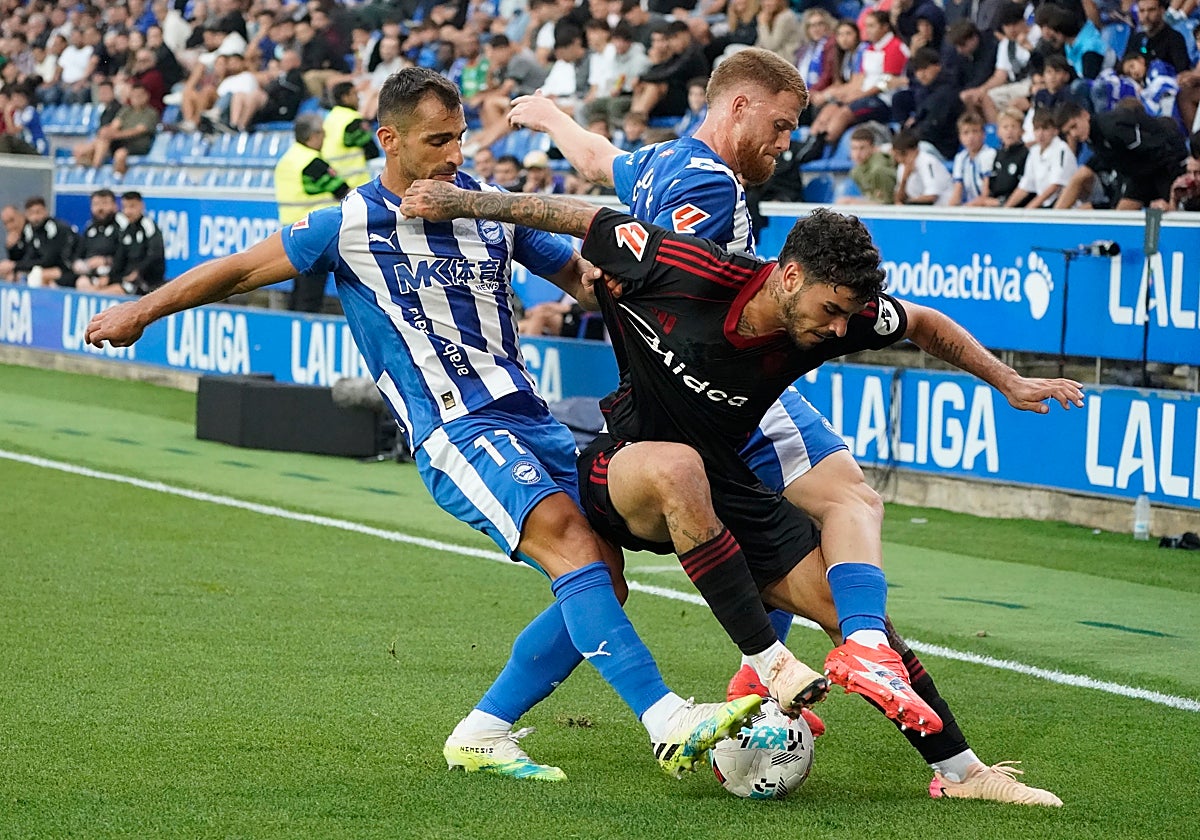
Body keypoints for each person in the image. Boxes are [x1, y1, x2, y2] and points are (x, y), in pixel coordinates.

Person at [84, 66, 758, 785]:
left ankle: (482, 731)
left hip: (534, 420)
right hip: (458, 431)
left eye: (460, 138)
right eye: (437, 141)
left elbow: (580, 276)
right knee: (573, 549)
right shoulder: (346, 224)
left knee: (606, 577)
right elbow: (239, 270)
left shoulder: (483, 212)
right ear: (390, 141)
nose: (452, 155)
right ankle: (667, 720)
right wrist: (140, 310)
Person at [506, 47, 1072, 804]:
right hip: (724, 391)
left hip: (722, 398)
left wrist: (547, 118)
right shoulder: (711, 192)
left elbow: (599, 165)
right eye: (779, 124)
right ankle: (824, 654)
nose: (787, 141)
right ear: (738, 106)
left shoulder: (655, 162)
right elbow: (670, 269)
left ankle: (948, 761)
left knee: (787, 540)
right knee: (850, 501)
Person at [273, 113, 350, 313]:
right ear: (313, 135)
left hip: (291, 233)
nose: (325, 138)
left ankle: (292, 332)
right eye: (323, 133)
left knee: (298, 291)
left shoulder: (288, 158)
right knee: (311, 295)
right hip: (314, 233)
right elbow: (341, 190)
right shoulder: (313, 162)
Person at [1053, 99, 1189, 209]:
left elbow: (1156, 147)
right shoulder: (1092, 138)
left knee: (1170, 211)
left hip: (1164, 165)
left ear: (1085, 115)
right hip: (1140, 172)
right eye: (1068, 132)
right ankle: (1054, 221)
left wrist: (1170, 183)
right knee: (1122, 214)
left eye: (1074, 126)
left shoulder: (1112, 126)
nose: (1073, 134)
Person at [1006, 107, 1077, 208]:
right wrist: (1006, 208)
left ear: (1055, 131)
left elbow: (1055, 186)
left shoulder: (1062, 149)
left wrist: (1031, 208)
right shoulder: (1034, 151)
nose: (1040, 134)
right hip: (1044, 206)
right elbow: (1025, 186)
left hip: (1065, 207)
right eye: (1037, 129)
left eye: (1045, 129)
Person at [70, 189, 128, 295]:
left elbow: (129, 256)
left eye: (105, 203)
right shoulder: (90, 228)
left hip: (116, 277)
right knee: (81, 282)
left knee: (114, 290)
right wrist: (81, 265)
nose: (100, 208)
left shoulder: (123, 228)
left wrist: (106, 261)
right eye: (96, 204)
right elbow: (78, 254)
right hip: (93, 276)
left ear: (115, 206)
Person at [321, 81, 375, 188]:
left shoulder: (329, 117)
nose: (358, 98)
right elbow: (371, 148)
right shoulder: (352, 120)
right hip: (355, 181)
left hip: (337, 179)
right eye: (354, 94)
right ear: (345, 97)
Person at [13, 196, 75, 288]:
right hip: (41, 267)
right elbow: (27, 256)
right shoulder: (28, 229)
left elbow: (49, 260)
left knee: (36, 275)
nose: (35, 217)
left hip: (63, 269)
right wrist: (11, 248)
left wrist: (16, 265)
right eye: (31, 213)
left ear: (45, 212)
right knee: (14, 274)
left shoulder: (55, 228)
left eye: (38, 212)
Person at [972, 106, 1029, 206]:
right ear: (998, 132)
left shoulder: (1026, 155)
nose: (1009, 131)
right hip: (994, 205)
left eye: (1014, 126)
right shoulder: (996, 155)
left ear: (1022, 131)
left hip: (1016, 207)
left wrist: (1000, 203)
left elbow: (1026, 188)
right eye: (1005, 127)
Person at [117, 191, 166, 295]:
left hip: (148, 282)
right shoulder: (126, 229)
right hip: (128, 279)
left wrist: (138, 272)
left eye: (132, 206)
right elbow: (120, 257)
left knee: (115, 291)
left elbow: (155, 254)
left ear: (141, 206)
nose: (128, 211)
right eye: (125, 207)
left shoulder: (148, 226)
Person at [892, 128, 954, 205]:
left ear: (915, 150)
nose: (900, 159)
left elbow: (931, 197)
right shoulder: (902, 167)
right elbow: (898, 199)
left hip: (942, 209)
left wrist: (907, 205)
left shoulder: (928, 162)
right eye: (897, 155)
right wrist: (904, 180)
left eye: (903, 154)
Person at [948, 111, 998, 205]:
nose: (971, 137)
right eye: (966, 133)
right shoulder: (960, 157)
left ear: (983, 134)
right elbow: (957, 190)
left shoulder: (989, 154)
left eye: (975, 131)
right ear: (960, 137)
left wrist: (968, 207)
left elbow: (986, 192)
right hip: (969, 205)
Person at [840, 125, 897, 204]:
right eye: (854, 148)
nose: (857, 153)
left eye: (862, 148)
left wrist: (855, 202)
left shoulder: (879, 169)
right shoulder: (855, 171)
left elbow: (886, 204)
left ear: (873, 148)